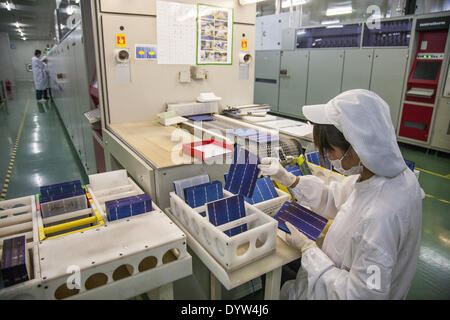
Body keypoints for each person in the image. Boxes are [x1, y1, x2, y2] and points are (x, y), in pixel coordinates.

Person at [258, 89, 423, 299]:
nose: (327, 157)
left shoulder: (381, 216)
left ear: (356, 150)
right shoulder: (386, 176)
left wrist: (309, 251)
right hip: (326, 271)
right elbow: (334, 198)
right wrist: (290, 180)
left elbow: (362, 295)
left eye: (331, 151)